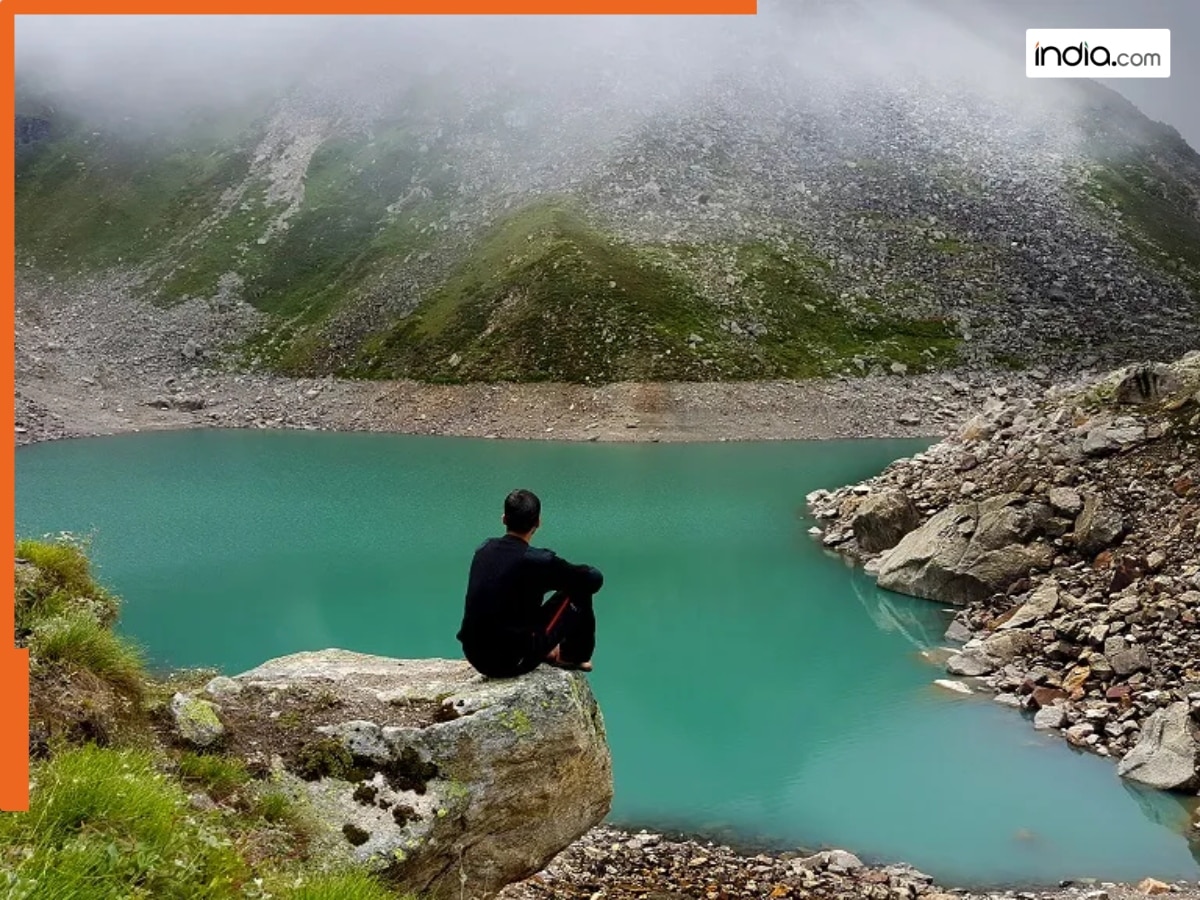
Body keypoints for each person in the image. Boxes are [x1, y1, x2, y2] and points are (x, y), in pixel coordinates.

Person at [457, 488, 603, 678]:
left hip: (475, 656)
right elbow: (594, 578)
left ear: (504, 519)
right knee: (579, 591)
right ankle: (572, 656)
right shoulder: (537, 561)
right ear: (538, 523)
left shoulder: (484, 549)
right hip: (511, 661)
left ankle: (538, 646)